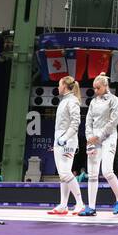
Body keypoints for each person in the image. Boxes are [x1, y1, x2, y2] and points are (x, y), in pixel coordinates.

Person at [80, 74, 118, 217]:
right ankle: (91, 207)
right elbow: (88, 122)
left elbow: (113, 122)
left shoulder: (115, 101)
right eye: (94, 88)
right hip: (93, 138)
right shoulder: (93, 102)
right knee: (92, 174)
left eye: (98, 88)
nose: (95, 91)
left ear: (105, 86)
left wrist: (98, 137)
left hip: (109, 137)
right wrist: (89, 139)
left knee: (106, 171)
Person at [48, 75, 84, 215]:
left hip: (67, 141)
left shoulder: (73, 101)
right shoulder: (64, 101)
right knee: (63, 175)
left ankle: (80, 203)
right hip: (60, 139)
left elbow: (76, 123)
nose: (58, 87)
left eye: (59, 84)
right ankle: (63, 205)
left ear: (64, 85)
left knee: (65, 172)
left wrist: (65, 138)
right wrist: (58, 139)